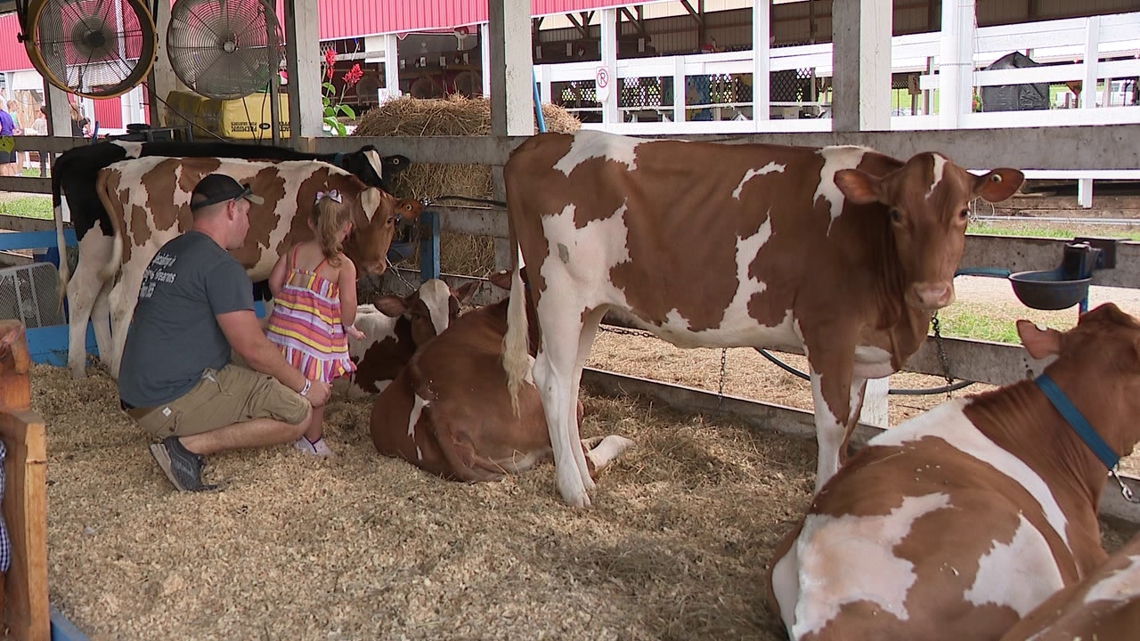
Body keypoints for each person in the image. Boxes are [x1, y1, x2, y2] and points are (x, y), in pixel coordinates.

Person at [118, 173, 332, 492]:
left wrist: (286, 325)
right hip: (168, 398)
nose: (248, 223)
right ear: (231, 209)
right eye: (246, 213)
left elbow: (230, 328)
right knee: (297, 414)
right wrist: (305, 387)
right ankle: (188, 447)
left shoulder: (171, 252)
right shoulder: (222, 266)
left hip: (138, 391)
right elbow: (252, 349)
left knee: (269, 370)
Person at [265, 190, 365, 457]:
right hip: (315, 341)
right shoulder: (343, 265)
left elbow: (274, 285)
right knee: (317, 392)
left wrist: (292, 303)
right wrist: (349, 325)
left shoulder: (294, 251)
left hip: (282, 336)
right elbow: (348, 309)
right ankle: (311, 440)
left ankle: (280, 431)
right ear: (348, 228)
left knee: (284, 384)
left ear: (311, 222)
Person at [0, 103, 17, 177]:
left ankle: (4, 186)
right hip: (10, 139)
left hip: (2, 140)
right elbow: (13, 128)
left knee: (3, 165)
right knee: (10, 164)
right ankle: (13, 185)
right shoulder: (7, 115)